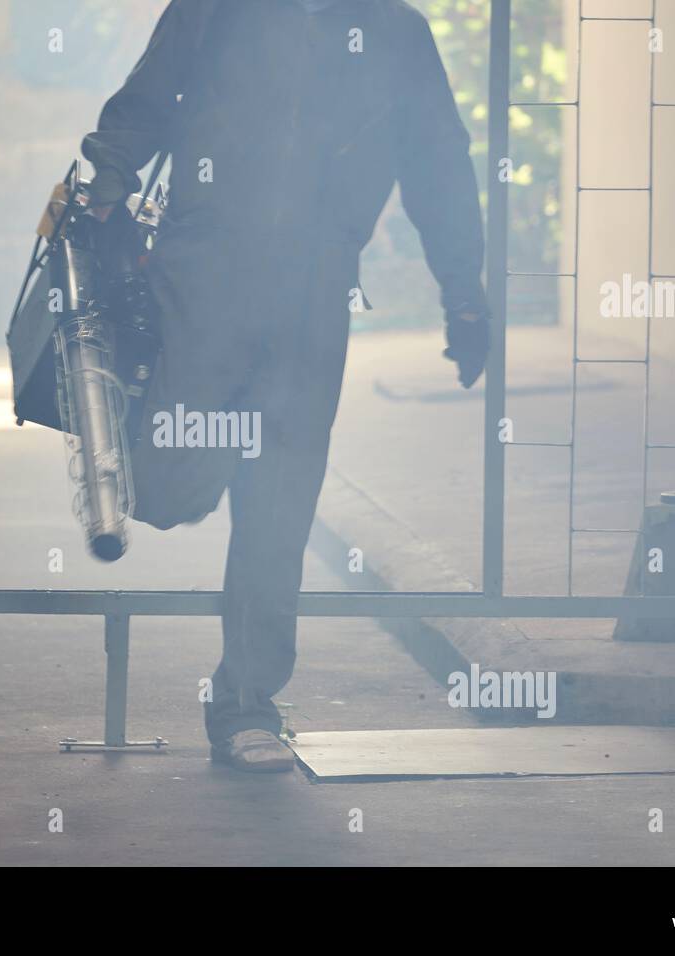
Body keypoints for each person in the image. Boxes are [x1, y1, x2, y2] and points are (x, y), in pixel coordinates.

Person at [81, 0, 489, 771]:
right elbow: (147, 97)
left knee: (280, 495)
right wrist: (106, 181)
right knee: (169, 487)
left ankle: (245, 702)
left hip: (313, 290)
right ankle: (209, 467)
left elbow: (437, 156)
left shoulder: (394, 30)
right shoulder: (215, 10)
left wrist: (462, 288)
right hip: (198, 278)